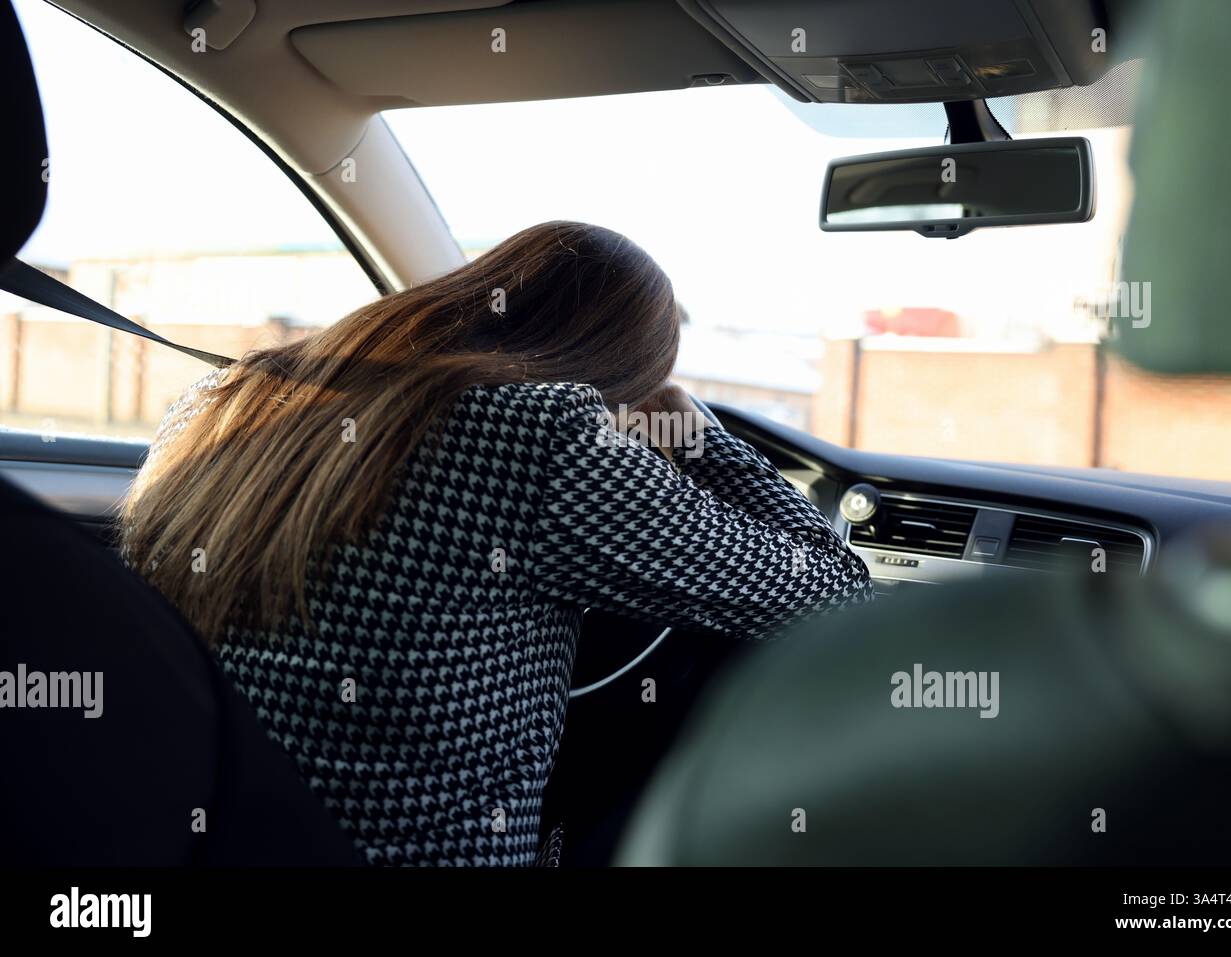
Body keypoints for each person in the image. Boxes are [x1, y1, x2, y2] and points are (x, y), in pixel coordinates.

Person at [119, 220, 872, 866]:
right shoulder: (542, 439)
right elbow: (835, 597)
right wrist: (697, 436)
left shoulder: (218, 399)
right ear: (628, 377)